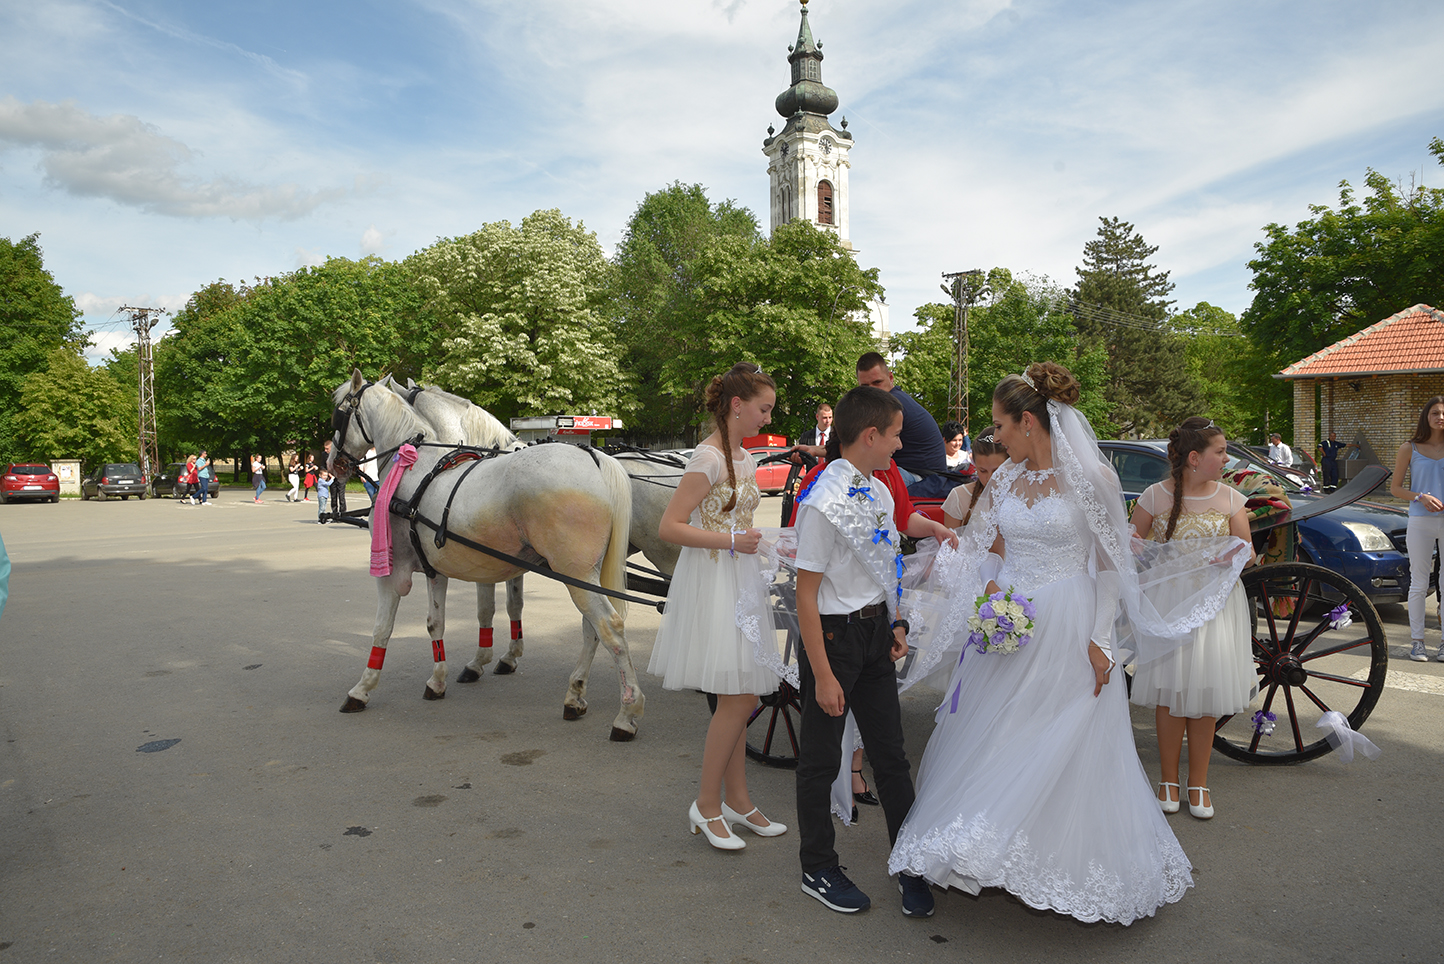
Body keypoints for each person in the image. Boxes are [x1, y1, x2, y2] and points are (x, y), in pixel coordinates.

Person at [888, 362, 1231, 926]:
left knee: (1063, 736)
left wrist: (1100, 641)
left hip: (1070, 619)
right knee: (1000, 731)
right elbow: (990, 549)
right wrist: (993, 590)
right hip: (1011, 620)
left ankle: (1061, 858)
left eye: (1000, 425)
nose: (994, 437)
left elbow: (1109, 565)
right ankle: (986, 846)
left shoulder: (1091, 477)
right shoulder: (1005, 480)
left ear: (1027, 421)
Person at [792, 385, 957, 916]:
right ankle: (816, 866)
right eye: (894, 436)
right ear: (869, 435)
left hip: (874, 635)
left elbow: (886, 564)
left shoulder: (880, 491)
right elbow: (807, 594)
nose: (899, 445)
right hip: (833, 641)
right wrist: (821, 673)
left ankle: (908, 863)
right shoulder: (821, 503)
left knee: (891, 757)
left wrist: (897, 622)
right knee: (819, 761)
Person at [648, 362, 787, 852]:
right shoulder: (706, 459)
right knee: (738, 697)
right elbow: (670, 526)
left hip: (739, 576)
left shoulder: (745, 459)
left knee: (742, 691)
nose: (767, 419)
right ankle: (707, 805)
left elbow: (743, 523)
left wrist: (767, 543)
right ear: (736, 405)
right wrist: (731, 541)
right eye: (763, 409)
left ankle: (739, 800)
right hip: (713, 579)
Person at [1128, 417, 1256, 819]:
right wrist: (1149, 557)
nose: (1226, 458)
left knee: (1203, 696)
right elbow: (1131, 543)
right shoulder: (1155, 495)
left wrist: (1231, 555)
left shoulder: (1231, 499)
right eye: (1220, 452)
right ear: (1195, 458)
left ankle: (1198, 782)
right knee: (1169, 694)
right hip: (1169, 603)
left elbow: (1247, 550)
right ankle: (1168, 779)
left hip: (1215, 606)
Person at [854, 352, 954, 499]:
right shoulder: (895, 400)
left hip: (923, 479)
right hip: (928, 477)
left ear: (891, 378)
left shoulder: (891, 405)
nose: (871, 391)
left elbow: (862, 447)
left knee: (860, 476)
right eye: (865, 386)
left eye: (877, 383)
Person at [1390, 396, 1444, 662]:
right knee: (1419, 582)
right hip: (1420, 521)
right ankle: (1418, 642)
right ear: (1427, 416)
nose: (1440, 417)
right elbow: (1395, 488)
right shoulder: (1409, 448)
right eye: (1435, 412)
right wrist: (1420, 496)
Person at [940, 429, 1006, 528]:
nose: (990, 478)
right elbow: (950, 541)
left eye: (997, 471)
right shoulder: (959, 497)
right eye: (983, 471)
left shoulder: (1023, 493)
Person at [324, 440, 348, 520]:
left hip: (340, 477)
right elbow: (322, 466)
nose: (325, 450)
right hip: (331, 478)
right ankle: (335, 514)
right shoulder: (324, 455)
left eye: (327, 449)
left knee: (341, 496)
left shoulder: (339, 454)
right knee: (333, 497)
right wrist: (328, 473)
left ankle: (343, 514)